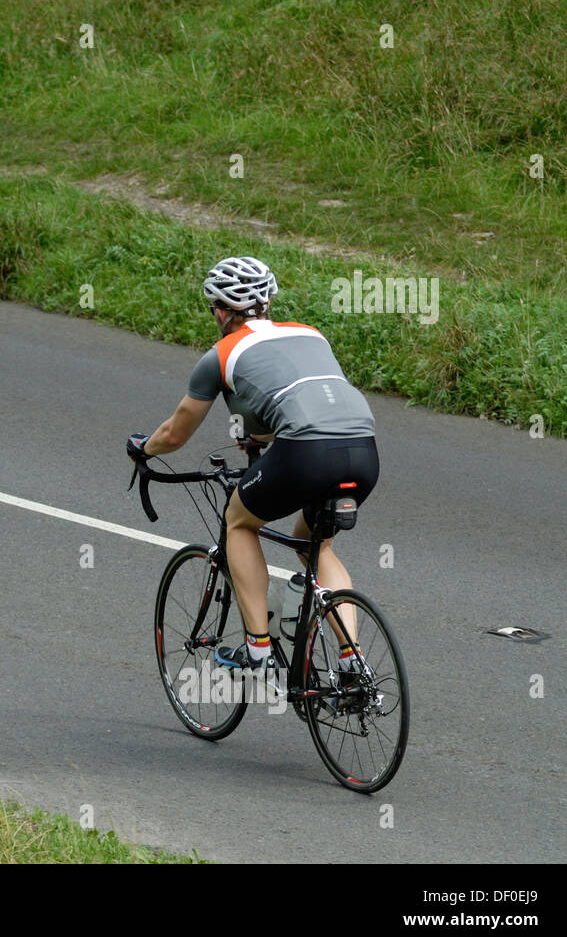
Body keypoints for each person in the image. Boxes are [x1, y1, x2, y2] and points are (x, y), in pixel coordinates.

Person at [126, 256, 379, 673]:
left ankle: (258, 652)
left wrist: (144, 450)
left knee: (240, 521)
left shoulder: (221, 354)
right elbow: (302, 399)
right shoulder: (310, 335)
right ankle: (353, 663)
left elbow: (175, 433)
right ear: (267, 302)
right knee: (317, 545)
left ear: (221, 311)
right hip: (363, 448)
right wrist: (261, 437)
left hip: (305, 451)